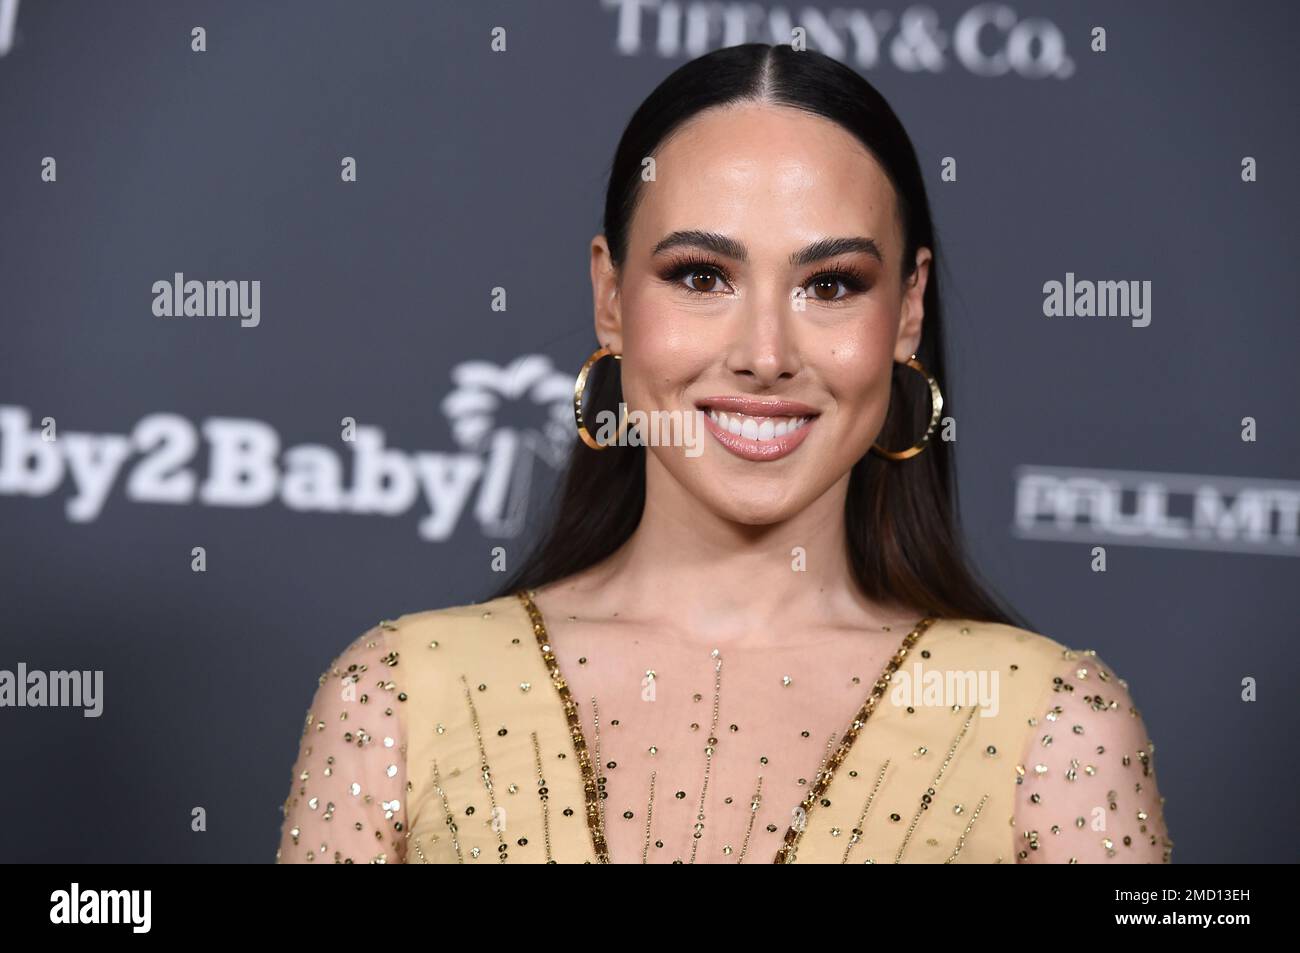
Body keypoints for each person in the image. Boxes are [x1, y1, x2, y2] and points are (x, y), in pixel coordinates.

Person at [275, 43, 1172, 864]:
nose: (766, 351)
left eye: (831, 285)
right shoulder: (395, 699)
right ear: (611, 296)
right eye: (702, 276)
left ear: (907, 311)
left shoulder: (1052, 728)